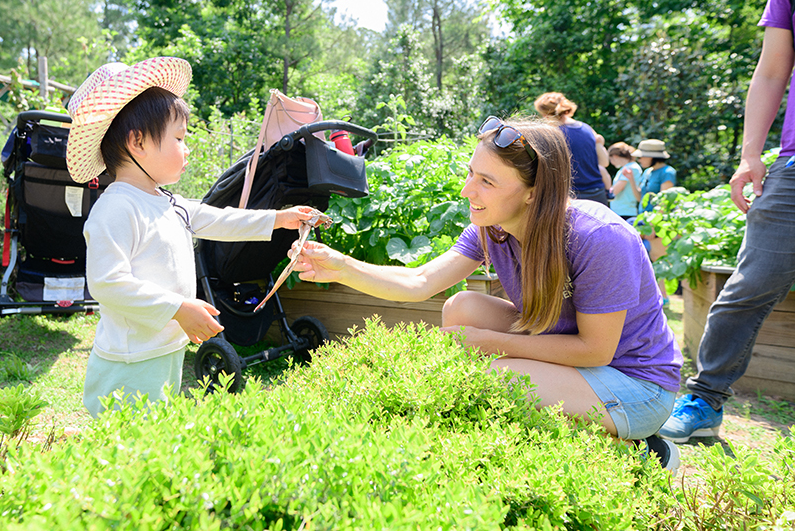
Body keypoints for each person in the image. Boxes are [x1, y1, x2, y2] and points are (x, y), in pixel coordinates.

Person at [293, 115, 683, 470]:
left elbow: (596, 350)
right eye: (471, 174)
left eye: (487, 181)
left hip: (637, 382)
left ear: (534, 191)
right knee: (463, 306)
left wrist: (488, 343)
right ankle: (570, 429)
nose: (467, 191)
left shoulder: (598, 238)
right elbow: (420, 281)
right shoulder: (492, 227)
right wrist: (341, 267)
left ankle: (636, 448)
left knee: (501, 376)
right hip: (576, 354)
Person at [66, 57, 316, 417]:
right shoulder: (116, 208)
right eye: (179, 138)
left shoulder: (167, 201)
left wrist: (280, 219)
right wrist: (178, 307)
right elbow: (107, 283)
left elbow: (220, 220)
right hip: (129, 358)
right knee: (127, 442)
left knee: (154, 433)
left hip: (163, 346)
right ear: (138, 142)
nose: (187, 148)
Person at [660, 0, 795, 443]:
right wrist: (750, 155)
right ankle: (705, 398)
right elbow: (773, 69)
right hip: (794, 167)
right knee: (749, 286)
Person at [623, 139, 677, 305]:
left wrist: (653, 226)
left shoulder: (668, 172)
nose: (639, 159)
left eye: (642, 156)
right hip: (642, 221)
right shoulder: (647, 173)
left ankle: (664, 297)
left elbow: (664, 201)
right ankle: (652, 297)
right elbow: (641, 197)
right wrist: (631, 180)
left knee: (657, 258)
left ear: (654, 157)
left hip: (657, 224)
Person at [534, 92, 612, 205]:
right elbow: (604, 162)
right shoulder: (587, 128)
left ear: (546, 115)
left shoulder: (553, 134)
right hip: (597, 195)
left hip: (571, 197)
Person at [608, 142, 643, 220]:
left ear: (615, 156)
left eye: (610, 159)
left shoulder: (630, 168)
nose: (611, 162)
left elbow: (615, 191)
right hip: (622, 211)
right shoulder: (628, 167)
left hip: (625, 212)